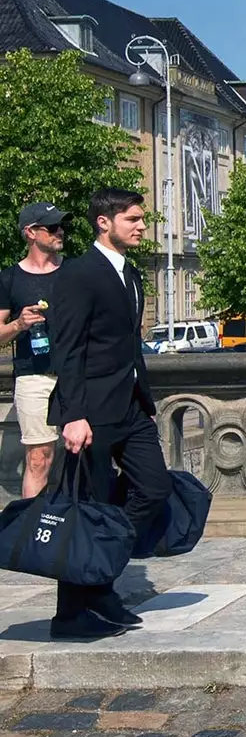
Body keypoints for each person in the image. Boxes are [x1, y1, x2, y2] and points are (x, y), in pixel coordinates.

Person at [45, 188, 173, 639]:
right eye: (133, 219)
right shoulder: (79, 275)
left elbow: (130, 347)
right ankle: (72, 612)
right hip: (91, 413)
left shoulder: (132, 274)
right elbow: (68, 348)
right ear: (104, 222)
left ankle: (100, 578)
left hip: (132, 407)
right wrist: (74, 415)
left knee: (154, 487)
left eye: (142, 219)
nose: (142, 225)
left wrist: (147, 402)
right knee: (87, 508)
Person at [0, 202, 67, 498]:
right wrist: (19, 324)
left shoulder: (75, 272)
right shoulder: (9, 278)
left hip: (76, 374)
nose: (60, 232)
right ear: (31, 232)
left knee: (87, 457)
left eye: (61, 226)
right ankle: (31, 533)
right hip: (34, 377)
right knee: (39, 459)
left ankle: (80, 529)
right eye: (52, 227)